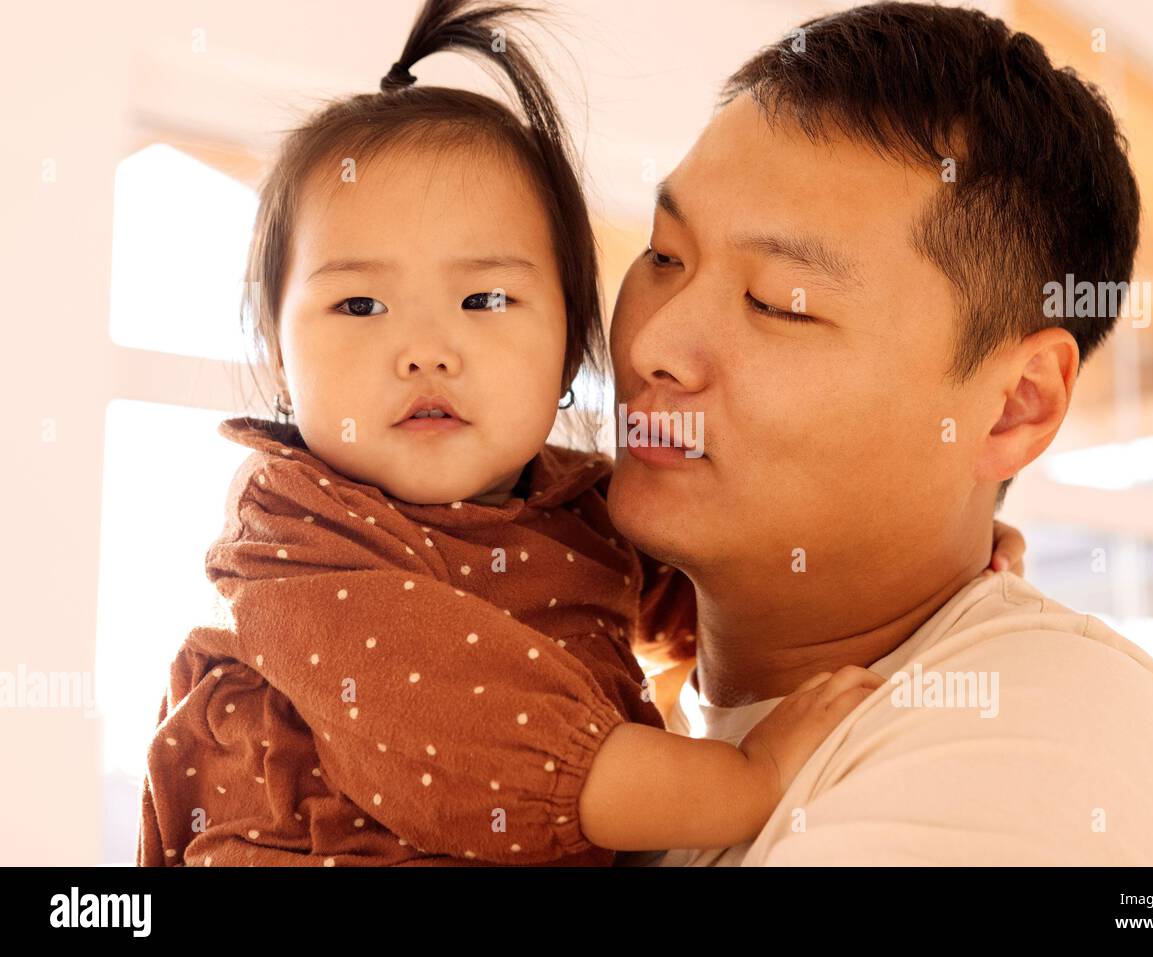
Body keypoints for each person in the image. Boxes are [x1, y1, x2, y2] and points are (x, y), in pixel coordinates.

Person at [137, 0, 1022, 868]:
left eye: (485, 300)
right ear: (282, 360)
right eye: (359, 303)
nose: (426, 352)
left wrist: (935, 552)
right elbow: (465, 725)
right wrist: (749, 775)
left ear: (567, 349)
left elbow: (684, 592)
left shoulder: (573, 504)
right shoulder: (300, 539)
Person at [605, 2, 1153, 865]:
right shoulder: (627, 720)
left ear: (1015, 405)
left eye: (777, 304)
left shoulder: (1050, 732)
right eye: (664, 256)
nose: (652, 346)